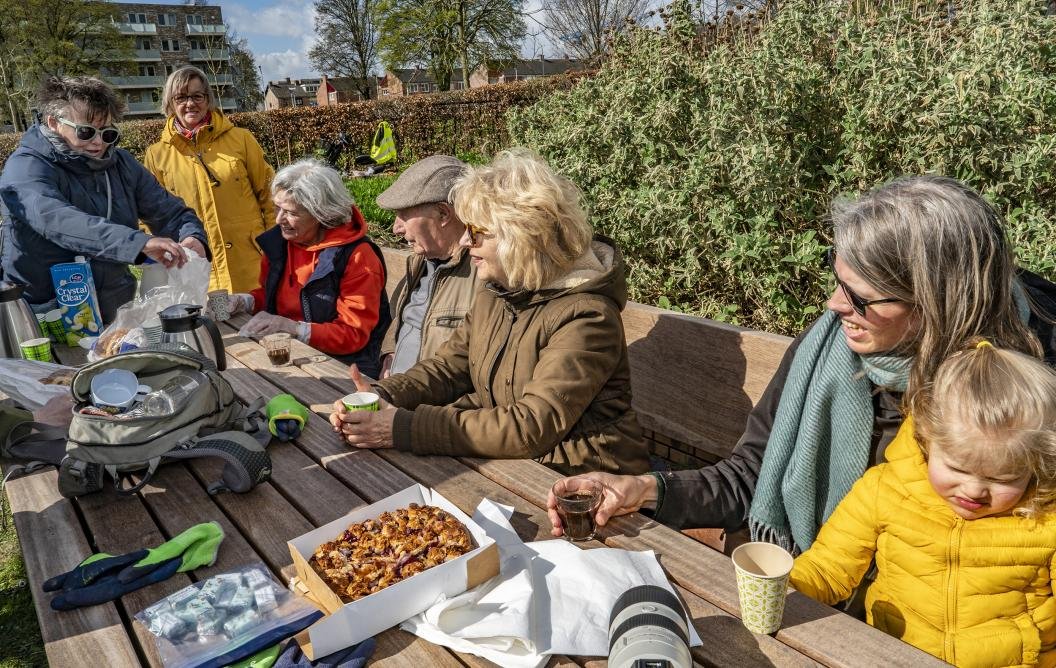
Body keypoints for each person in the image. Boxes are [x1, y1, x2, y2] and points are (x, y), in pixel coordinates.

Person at [547, 175, 1056, 551]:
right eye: (838, 282)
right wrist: (641, 489)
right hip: (812, 577)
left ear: (937, 304)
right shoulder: (829, 345)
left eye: (861, 298)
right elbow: (749, 476)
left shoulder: (1022, 388)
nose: (835, 306)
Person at [329, 148, 651, 476]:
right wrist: (383, 394)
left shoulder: (587, 316)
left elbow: (531, 426)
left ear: (520, 235)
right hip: (518, 464)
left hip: (584, 479)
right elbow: (448, 368)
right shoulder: (499, 291)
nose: (465, 241)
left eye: (477, 231)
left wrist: (402, 427)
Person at [791, 340, 1056, 665]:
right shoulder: (887, 489)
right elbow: (829, 567)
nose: (974, 490)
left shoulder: (1046, 519)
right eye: (958, 469)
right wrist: (785, 588)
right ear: (926, 437)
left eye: (1002, 479)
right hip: (897, 658)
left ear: (1035, 465)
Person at [0, 76, 208, 323]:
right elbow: (56, 219)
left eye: (107, 133)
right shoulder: (25, 168)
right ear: (54, 123)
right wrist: (136, 244)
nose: (98, 142)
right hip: (48, 314)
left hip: (115, 309)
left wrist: (192, 235)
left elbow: (170, 211)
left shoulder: (121, 164)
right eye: (86, 132)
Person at [228, 159, 391, 378]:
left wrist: (294, 328)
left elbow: (352, 334)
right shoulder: (281, 244)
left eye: (291, 213)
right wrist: (246, 301)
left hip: (343, 367)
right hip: (291, 355)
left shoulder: (358, 256)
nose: (279, 219)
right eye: (277, 208)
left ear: (321, 213)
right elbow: (273, 298)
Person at [144, 66, 275, 293]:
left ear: (208, 99)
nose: (190, 104)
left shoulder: (241, 140)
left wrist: (274, 247)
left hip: (251, 266)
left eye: (197, 96)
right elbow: (148, 214)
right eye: (181, 97)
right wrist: (165, 255)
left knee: (257, 315)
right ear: (170, 103)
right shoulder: (157, 155)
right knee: (213, 318)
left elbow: (270, 195)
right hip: (195, 273)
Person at [375, 155, 477, 377]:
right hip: (396, 388)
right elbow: (402, 317)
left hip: (430, 397)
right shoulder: (421, 262)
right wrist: (390, 353)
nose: (395, 229)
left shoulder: (482, 272)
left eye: (403, 215)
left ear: (443, 214)